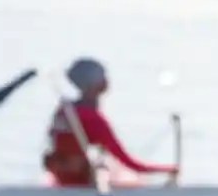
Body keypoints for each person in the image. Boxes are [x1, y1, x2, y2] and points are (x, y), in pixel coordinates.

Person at [43, 58, 178, 187]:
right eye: (103, 76)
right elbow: (128, 163)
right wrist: (167, 170)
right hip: (81, 189)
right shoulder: (92, 119)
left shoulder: (63, 112)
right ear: (97, 84)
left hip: (60, 184)